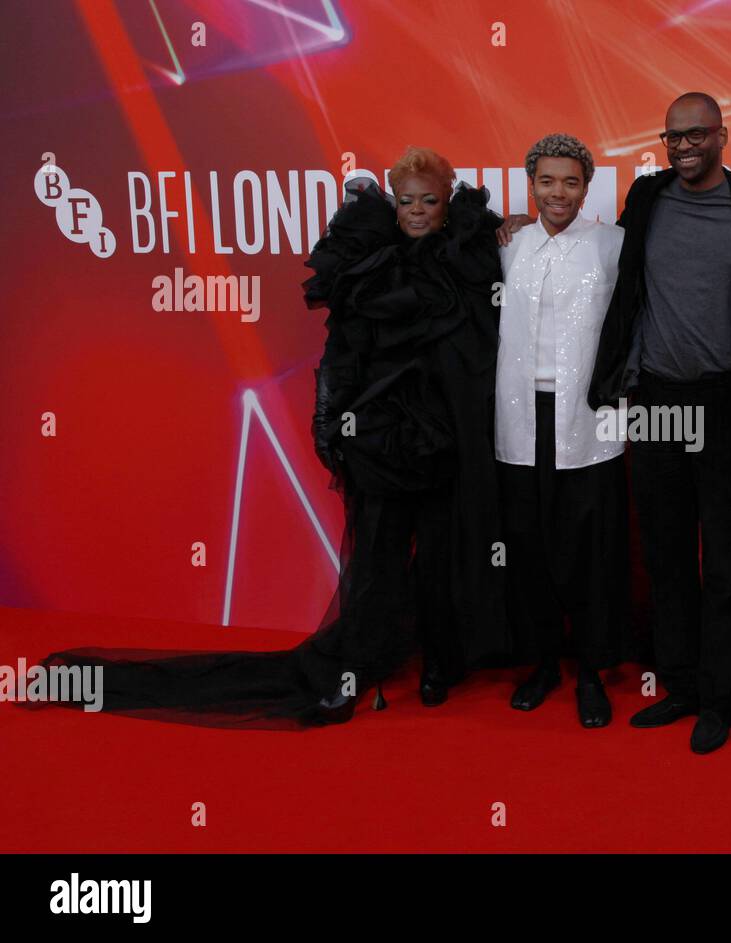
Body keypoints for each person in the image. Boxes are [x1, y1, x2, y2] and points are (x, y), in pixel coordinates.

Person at [34, 146, 509, 727]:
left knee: (442, 552)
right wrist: (329, 423)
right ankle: (353, 667)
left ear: (446, 202)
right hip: (379, 439)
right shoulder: (364, 263)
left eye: (429, 201)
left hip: (447, 437)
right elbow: (340, 356)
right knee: (377, 560)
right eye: (406, 200)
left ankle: (440, 664)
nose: (416, 211)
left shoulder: (467, 259)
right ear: (391, 200)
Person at [587, 92, 731, 754]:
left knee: (725, 555)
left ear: (723, 134)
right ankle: (681, 685)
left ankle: (722, 695)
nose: (683, 146)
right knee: (663, 550)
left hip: (728, 401)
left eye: (696, 135)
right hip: (657, 400)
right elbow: (610, 261)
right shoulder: (648, 199)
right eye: (673, 137)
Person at [494, 133, 628, 728]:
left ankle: (594, 671)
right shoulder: (507, 245)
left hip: (590, 421)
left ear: (587, 187)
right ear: (531, 185)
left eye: (570, 182)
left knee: (590, 550)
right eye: (546, 181)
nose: (558, 192)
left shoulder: (613, 245)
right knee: (530, 545)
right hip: (521, 419)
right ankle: (542, 662)